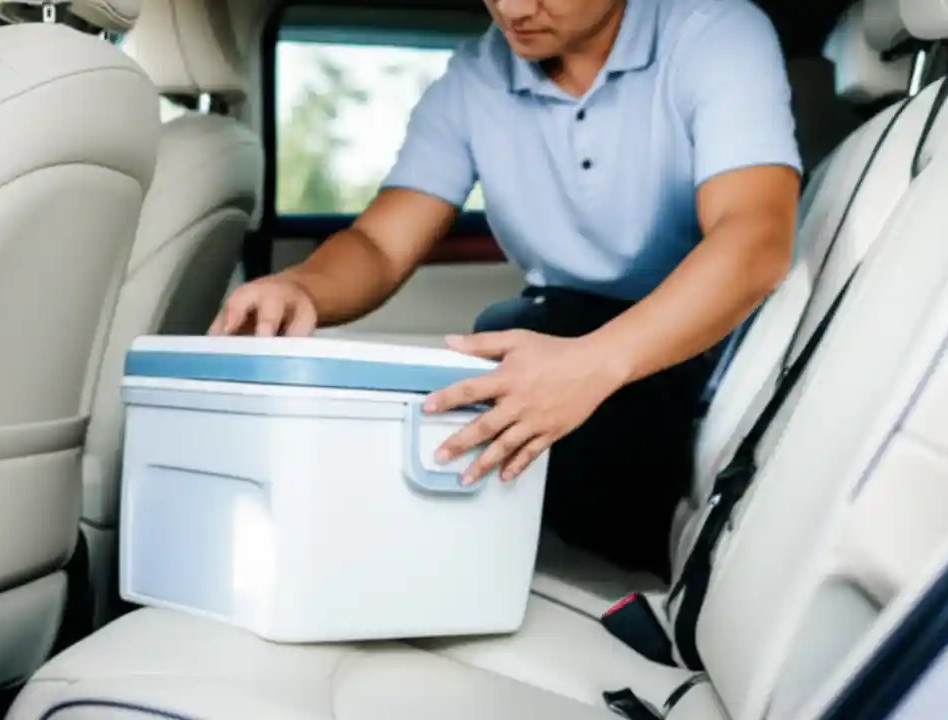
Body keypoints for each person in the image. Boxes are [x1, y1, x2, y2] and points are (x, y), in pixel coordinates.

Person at [211, 0, 801, 579]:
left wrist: (592, 365)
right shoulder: (473, 80)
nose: (512, 7)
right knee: (508, 329)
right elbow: (382, 243)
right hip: (567, 321)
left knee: (546, 352)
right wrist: (300, 288)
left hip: (710, 339)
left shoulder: (716, 32)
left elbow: (754, 238)